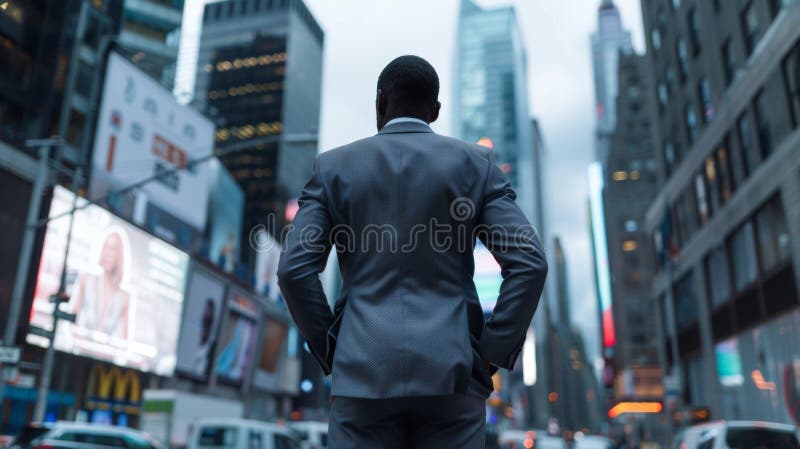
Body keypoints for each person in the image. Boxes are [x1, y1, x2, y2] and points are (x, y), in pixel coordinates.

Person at [278, 55, 548, 449]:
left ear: (380, 102)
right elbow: (530, 262)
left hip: (361, 380)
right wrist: (489, 354)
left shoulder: (332, 169)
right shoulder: (477, 165)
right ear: (435, 110)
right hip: (452, 377)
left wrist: (333, 350)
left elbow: (293, 270)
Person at [71, 227, 132, 341]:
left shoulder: (125, 296)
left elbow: (125, 339)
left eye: (113, 249)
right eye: (106, 247)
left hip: (106, 356)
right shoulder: (86, 279)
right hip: (80, 349)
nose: (107, 253)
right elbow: (71, 320)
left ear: (119, 255)